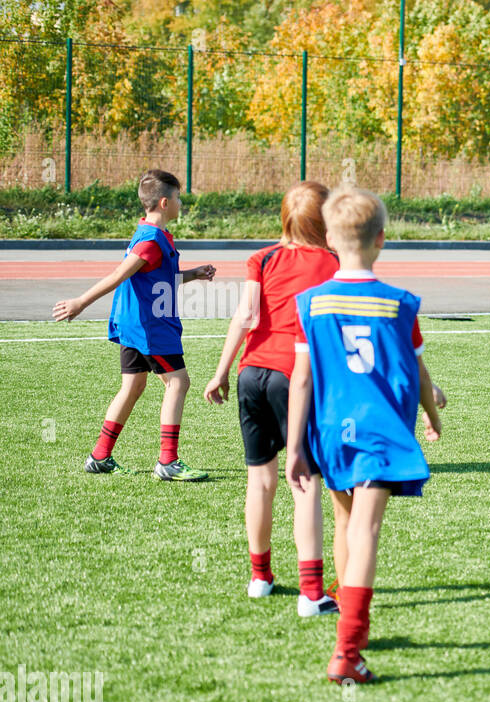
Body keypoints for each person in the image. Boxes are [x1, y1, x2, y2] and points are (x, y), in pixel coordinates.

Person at [286, 185, 446, 685]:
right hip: (380, 432)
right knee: (367, 531)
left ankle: (347, 609)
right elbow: (418, 372)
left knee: (344, 522)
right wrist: (432, 416)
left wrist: (294, 445)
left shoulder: (310, 302)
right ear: (381, 239)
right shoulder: (399, 304)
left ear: (330, 238)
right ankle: (348, 648)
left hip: (332, 431)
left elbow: (304, 378)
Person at [203, 182, 340, 614]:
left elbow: (246, 315)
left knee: (260, 480)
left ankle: (260, 577)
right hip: (294, 376)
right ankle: (312, 592)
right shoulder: (332, 262)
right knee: (304, 483)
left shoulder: (261, 258)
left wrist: (221, 371)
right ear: (324, 221)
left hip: (251, 373)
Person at [53, 169, 216, 478]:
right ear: (165, 203)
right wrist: (80, 303)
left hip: (133, 325)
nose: (182, 203)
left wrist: (193, 274)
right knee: (179, 382)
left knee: (133, 385)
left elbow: (156, 278)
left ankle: (100, 457)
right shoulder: (152, 239)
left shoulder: (149, 233)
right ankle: (168, 462)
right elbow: (118, 276)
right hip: (149, 328)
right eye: (179, 198)